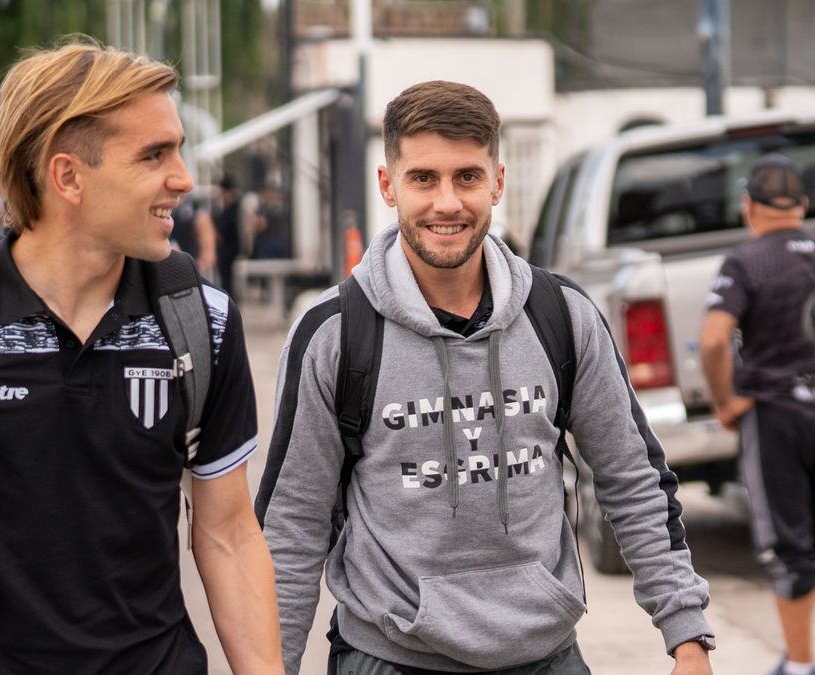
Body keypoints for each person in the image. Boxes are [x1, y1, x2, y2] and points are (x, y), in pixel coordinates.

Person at [0, 41, 283, 674]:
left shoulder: (202, 319)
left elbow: (227, 533)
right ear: (67, 177)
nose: (184, 178)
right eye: (153, 155)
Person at [255, 80, 715, 675]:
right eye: (423, 178)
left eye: (467, 177)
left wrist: (688, 637)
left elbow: (632, 480)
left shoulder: (562, 316)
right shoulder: (334, 333)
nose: (447, 202)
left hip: (546, 655)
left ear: (497, 181)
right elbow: (293, 526)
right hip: (389, 656)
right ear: (387, 184)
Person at [700, 153, 815, 675]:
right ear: (804, 205)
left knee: (790, 545)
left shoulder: (748, 261)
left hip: (776, 416)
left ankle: (798, 663)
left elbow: (714, 339)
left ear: (749, 207)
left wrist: (727, 399)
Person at [215, 175, 243, 300]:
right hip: (225, 251)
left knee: (230, 281)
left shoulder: (235, 209)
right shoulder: (226, 209)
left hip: (231, 250)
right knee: (225, 280)